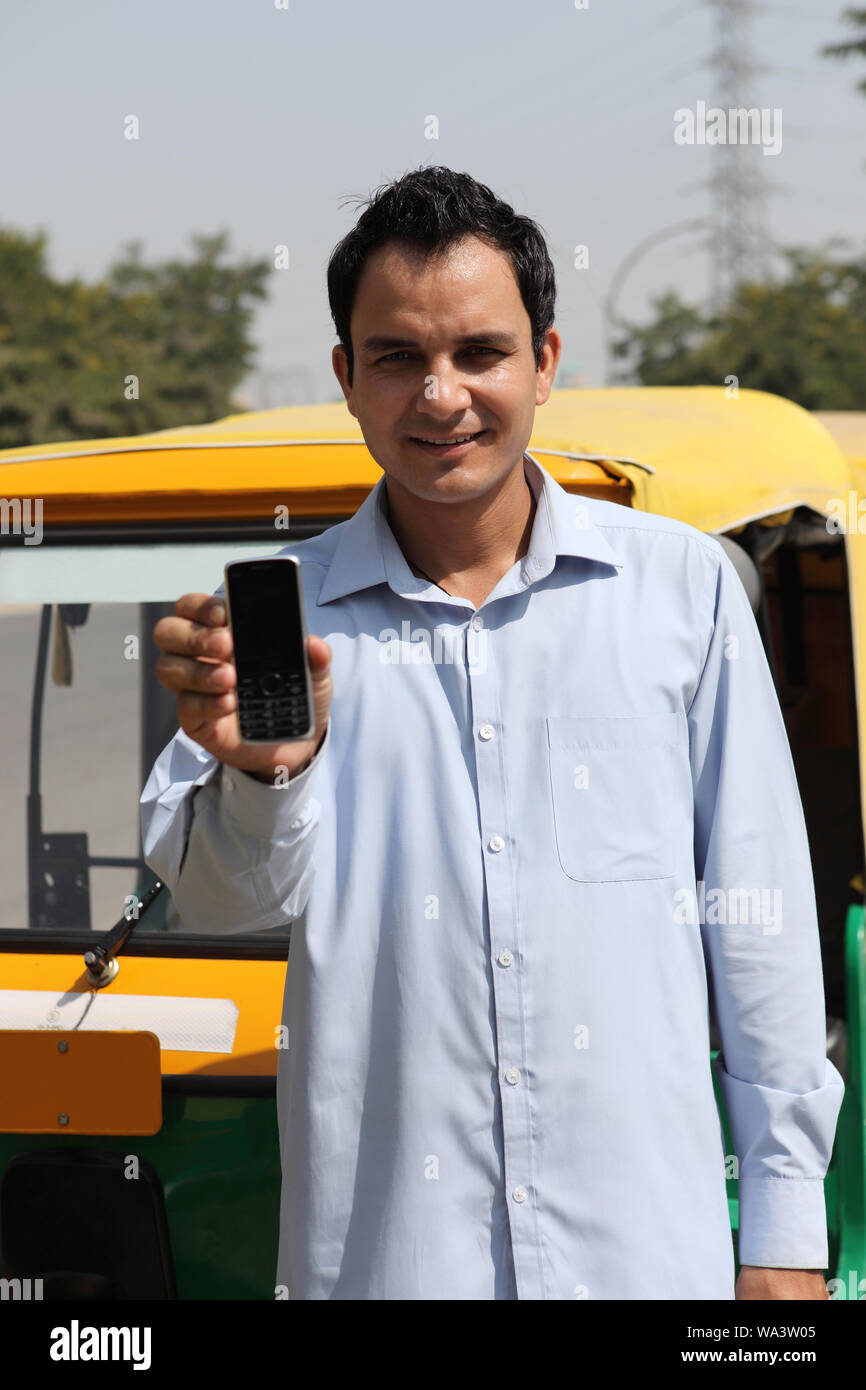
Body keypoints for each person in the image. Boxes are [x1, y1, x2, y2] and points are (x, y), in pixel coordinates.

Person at [140, 165, 844, 1300]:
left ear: (544, 364)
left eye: (478, 353)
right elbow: (225, 907)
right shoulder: (266, 626)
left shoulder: (679, 595)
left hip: (644, 1260)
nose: (440, 394)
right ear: (346, 379)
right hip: (389, 1263)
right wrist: (267, 776)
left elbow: (756, 924)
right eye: (397, 358)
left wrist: (779, 1232)